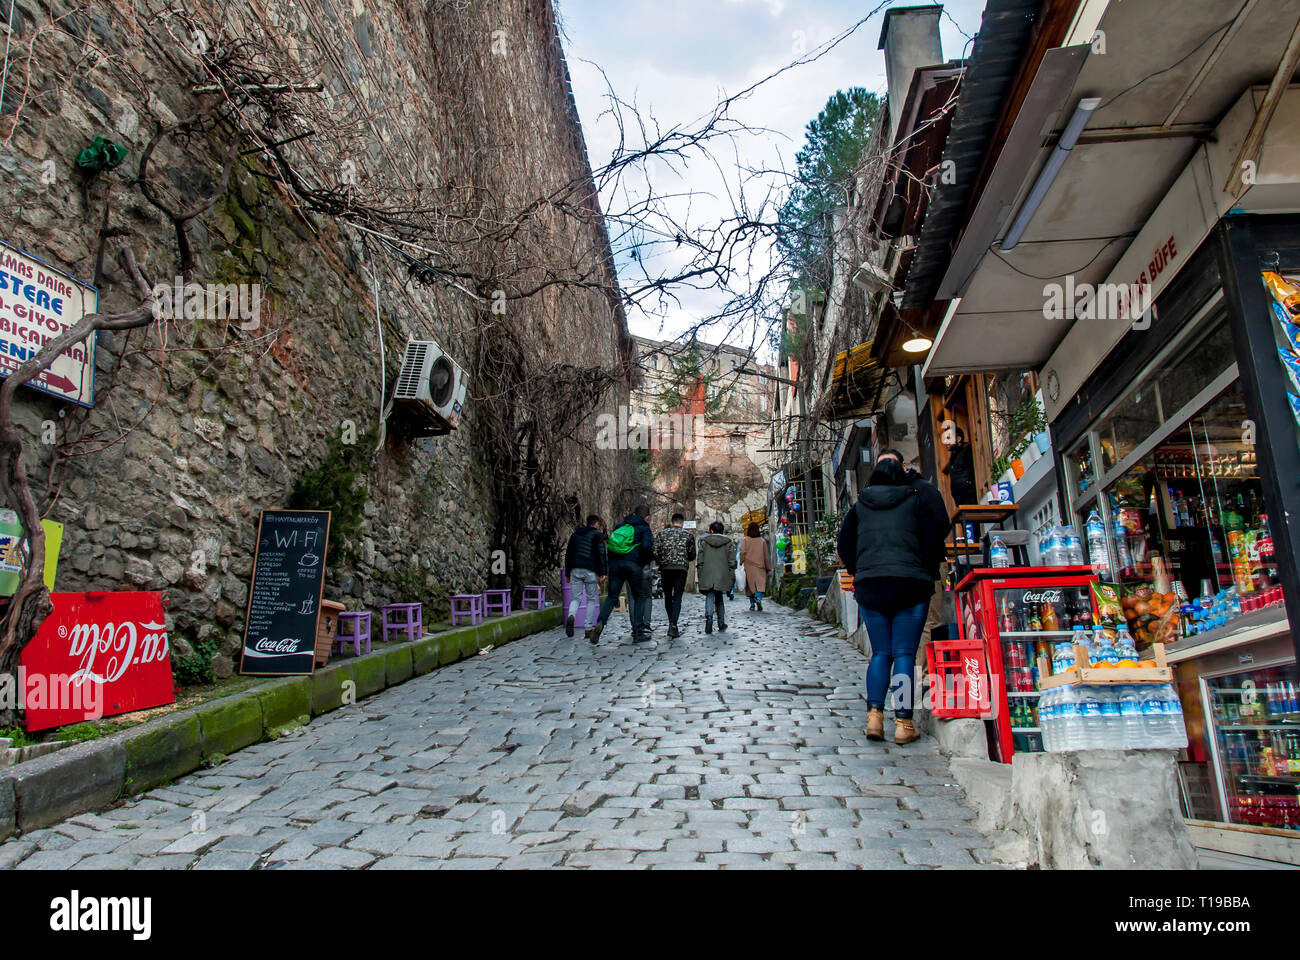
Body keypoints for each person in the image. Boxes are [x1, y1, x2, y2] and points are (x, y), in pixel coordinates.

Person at [837, 449, 948, 745]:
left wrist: (859, 569)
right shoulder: (915, 500)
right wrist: (923, 568)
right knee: (904, 655)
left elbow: (844, 544)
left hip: (872, 587)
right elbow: (933, 539)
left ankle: (874, 718)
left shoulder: (860, 506)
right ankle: (903, 723)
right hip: (911, 585)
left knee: (881, 653)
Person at [590, 504, 655, 643]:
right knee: (639, 596)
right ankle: (638, 631)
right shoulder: (644, 528)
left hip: (615, 565)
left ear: (633, 513)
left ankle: (601, 622)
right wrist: (641, 562)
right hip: (633, 565)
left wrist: (612, 564)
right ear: (647, 517)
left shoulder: (620, 526)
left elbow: (612, 546)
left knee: (612, 596)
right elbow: (647, 548)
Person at [563, 514, 607, 640]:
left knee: (575, 598)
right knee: (591, 600)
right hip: (590, 570)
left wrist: (567, 573)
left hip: (575, 569)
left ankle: (571, 615)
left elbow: (568, 554)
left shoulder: (575, 535)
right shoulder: (597, 535)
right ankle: (588, 629)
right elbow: (601, 553)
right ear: (596, 524)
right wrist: (603, 572)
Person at [653, 512, 695, 638]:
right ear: (682, 522)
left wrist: (661, 561)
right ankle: (673, 624)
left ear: (671, 522)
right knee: (677, 597)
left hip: (666, 568)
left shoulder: (662, 534)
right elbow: (692, 554)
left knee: (667, 596)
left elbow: (655, 551)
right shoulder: (688, 535)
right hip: (681, 568)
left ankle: (671, 621)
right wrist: (685, 559)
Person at [696, 520, 736, 634]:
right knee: (719, 598)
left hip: (708, 573)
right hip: (722, 574)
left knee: (709, 595)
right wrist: (731, 576)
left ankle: (709, 617)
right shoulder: (728, 543)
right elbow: (731, 561)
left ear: (711, 531)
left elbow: (700, 560)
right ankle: (721, 622)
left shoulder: (704, 542)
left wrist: (700, 573)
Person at [942, 426, 978, 507]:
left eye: (948, 438)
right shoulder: (953, 457)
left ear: (958, 439)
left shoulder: (968, 450)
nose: (945, 442)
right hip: (959, 500)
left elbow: (974, 472)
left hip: (971, 497)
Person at [739, 522, 771, 611]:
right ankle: (758, 598)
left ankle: (752, 603)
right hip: (760, 566)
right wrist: (768, 567)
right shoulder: (762, 541)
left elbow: (742, 552)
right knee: (759, 585)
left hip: (749, 566)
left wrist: (741, 562)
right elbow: (766, 555)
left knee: (750, 585)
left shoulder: (746, 540)